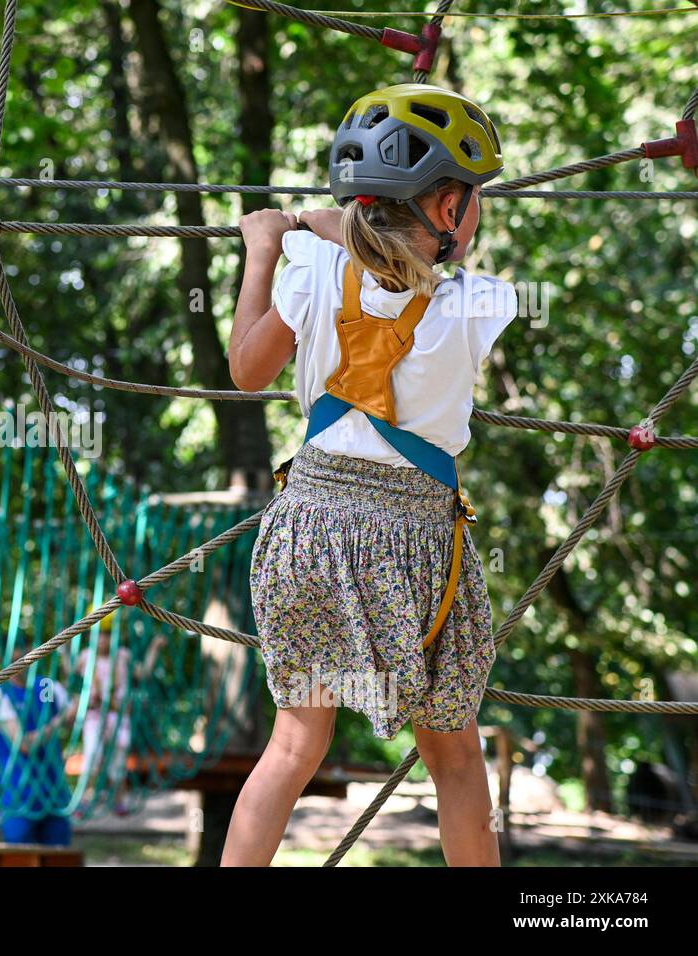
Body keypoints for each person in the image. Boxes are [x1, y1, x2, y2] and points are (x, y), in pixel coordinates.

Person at [221, 85, 517, 866]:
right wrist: (331, 231)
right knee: (453, 759)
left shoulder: (311, 273)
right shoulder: (480, 304)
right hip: (415, 546)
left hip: (307, 531)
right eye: (475, 198)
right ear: (449, 211)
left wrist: (265, 245)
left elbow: (247, 371)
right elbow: (392, 262)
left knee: (292, 748)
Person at [0, 642, 74, 845]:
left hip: (54, 792)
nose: (21, 664)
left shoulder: (45, 687)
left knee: (58, 856)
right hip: (19, 795)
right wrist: (60, 719)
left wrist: (68, 658)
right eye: (15, 660)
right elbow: (24, 745)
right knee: (21, 856)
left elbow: (72, 715)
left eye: (25, 657)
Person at [75, 611, 165, 814]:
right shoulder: (86, 657)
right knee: (92, 756)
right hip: (95, 714)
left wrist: (154, 648)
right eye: (98, 635)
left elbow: (143, 672)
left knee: (118, 758)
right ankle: (84, 798)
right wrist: (63, 648)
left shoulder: (123, 655)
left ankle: (119, 799)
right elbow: (70, 669)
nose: (102, 640)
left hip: (118, 714)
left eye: (107, 634)